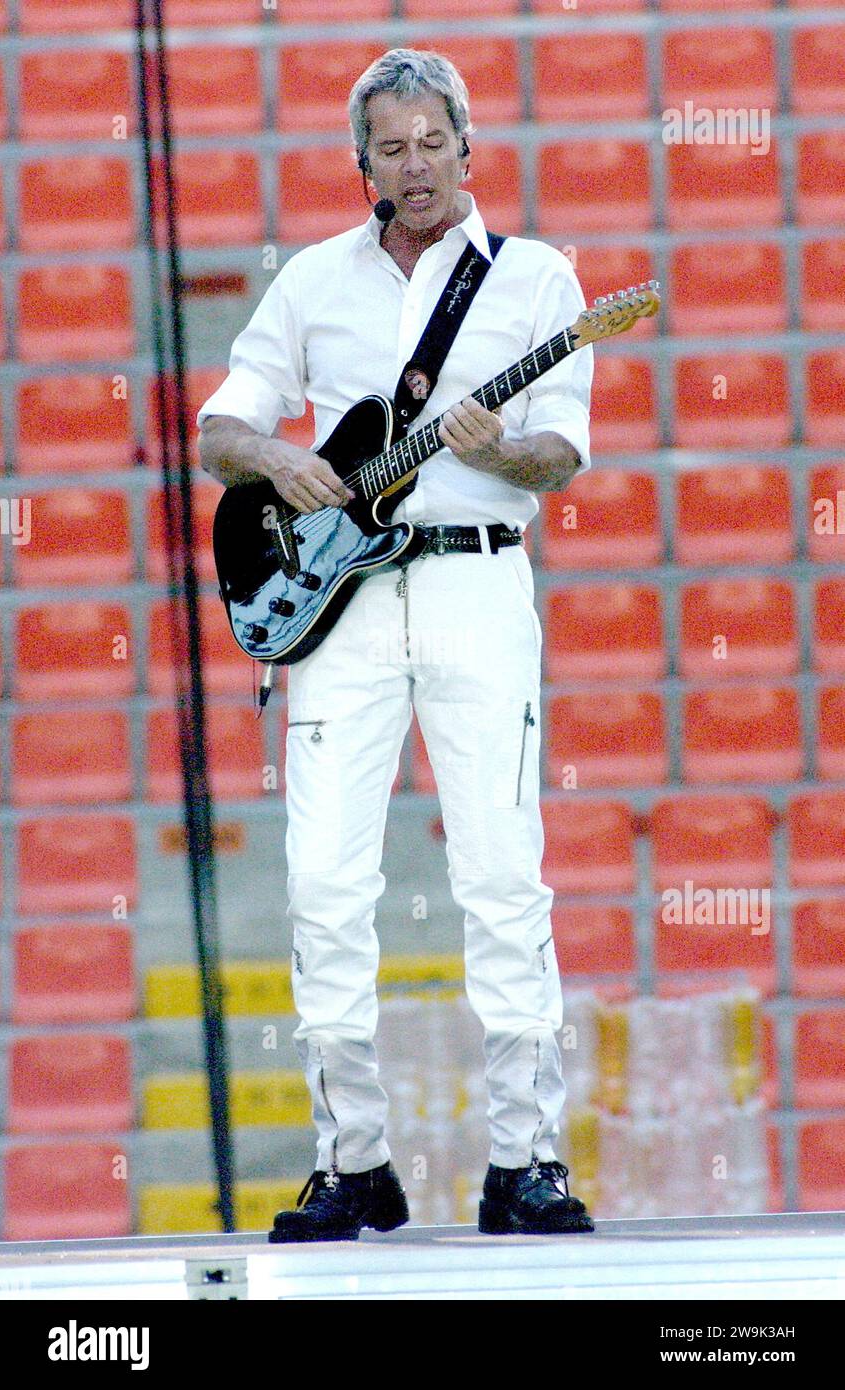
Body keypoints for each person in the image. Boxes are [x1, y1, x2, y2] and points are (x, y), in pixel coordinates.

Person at [197, 48, 595, 1241]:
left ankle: (526, 1159)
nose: (414, 165)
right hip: (340, 609)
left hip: (478, 582)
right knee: (323, 881)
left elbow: (561, 455)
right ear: (359, 160)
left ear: (468, 146)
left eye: (433, 142)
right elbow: (226, 424)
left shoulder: (539, 280)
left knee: (500, 872)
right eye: (390, 146)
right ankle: (350, 1158)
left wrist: (495, 447)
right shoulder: (314, 281)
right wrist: (278, 459)